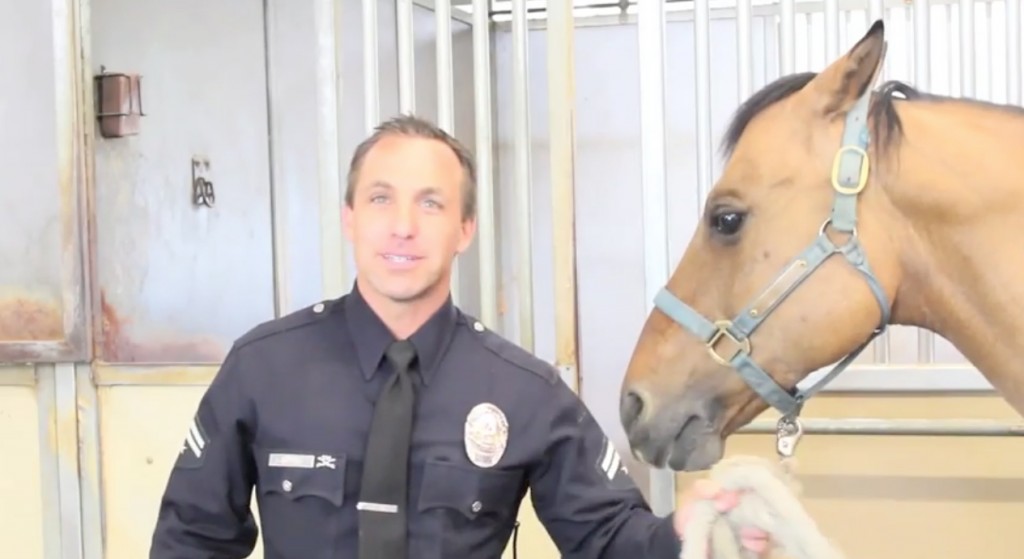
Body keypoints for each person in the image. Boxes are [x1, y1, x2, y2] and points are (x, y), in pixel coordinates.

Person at [148, 114, 771, 558]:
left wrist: (689, 532)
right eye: (381, 199)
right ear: (350, 218)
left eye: (431, 204)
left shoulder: (524, 391)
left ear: (465, 228)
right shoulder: (263, 369)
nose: (402, 227)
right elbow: (192, 541)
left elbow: (609, 540)